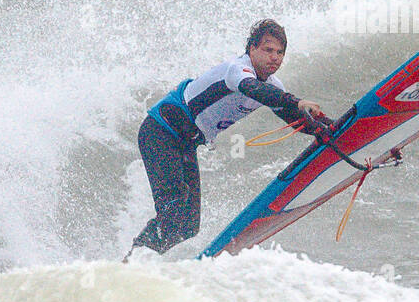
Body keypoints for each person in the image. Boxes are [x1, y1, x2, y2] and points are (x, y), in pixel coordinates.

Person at [125, 19, 327, 259]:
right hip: (159, 132)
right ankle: (130, 262)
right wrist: (296, 101)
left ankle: (139, 260)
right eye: (268, 50)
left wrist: (329, 127)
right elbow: (253, 89)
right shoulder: (238, 70)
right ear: (252, 49)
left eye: (280, 52)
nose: (274, 57)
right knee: (174, 212)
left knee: (187, 226)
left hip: (185, 144)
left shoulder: (274, 85)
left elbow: (296, 119)